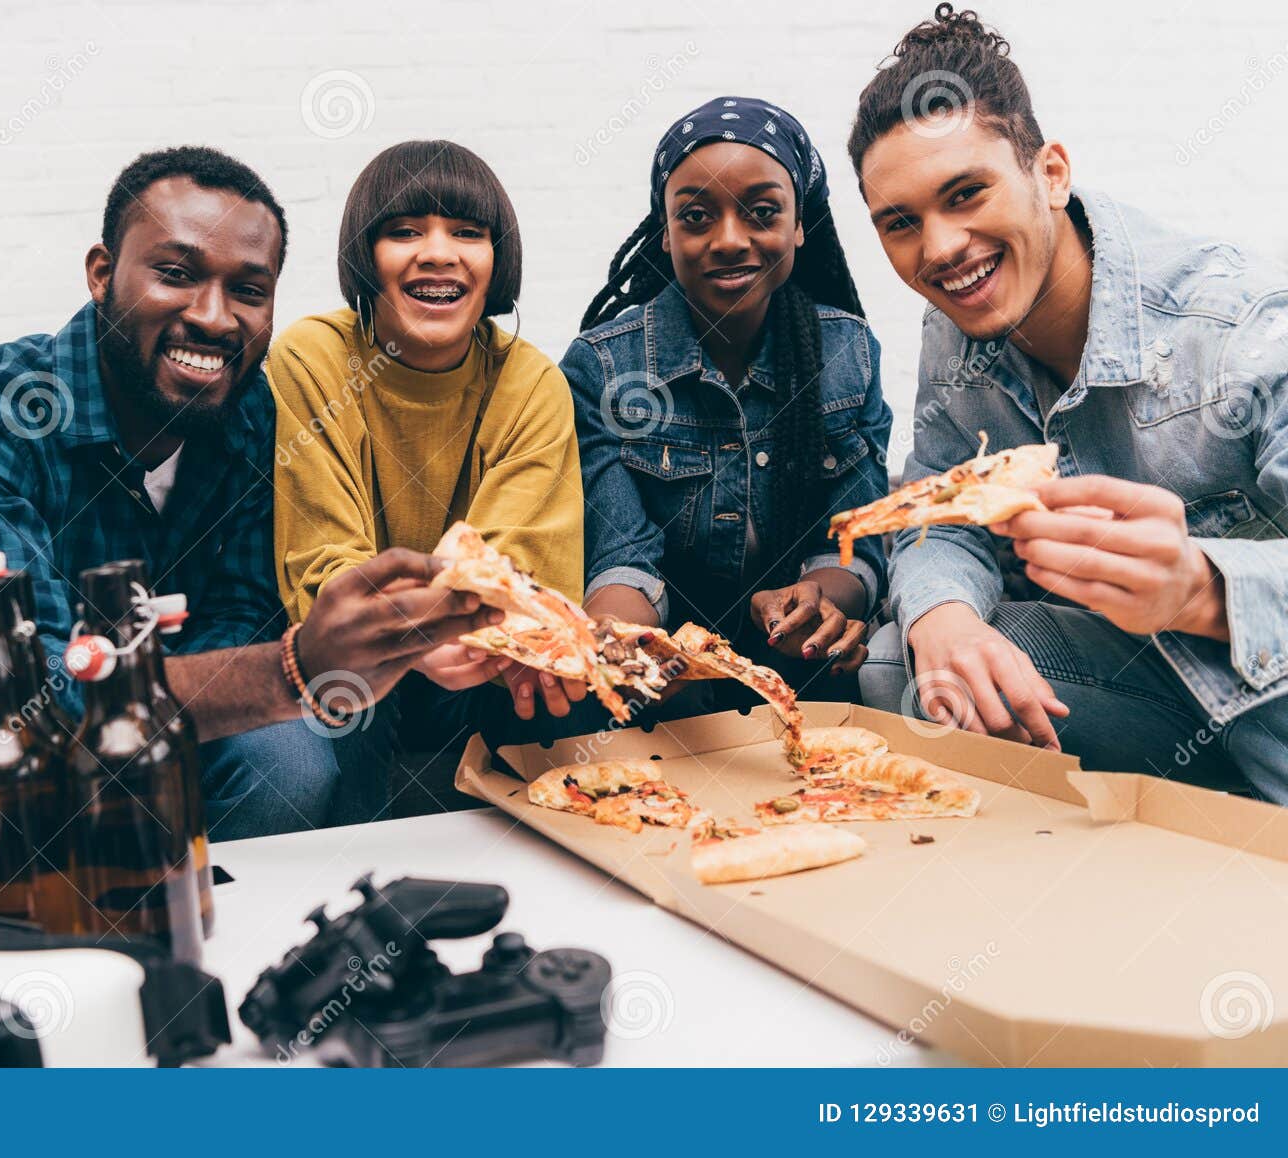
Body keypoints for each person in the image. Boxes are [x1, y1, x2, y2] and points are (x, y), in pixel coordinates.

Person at [0, 146, 499, 1067]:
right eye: (177, 273)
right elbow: (12, 681)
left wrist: (306, 667)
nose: (212, 315)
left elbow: (236, 618)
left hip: (166, 755)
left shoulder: (252, 418)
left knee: (297, 754)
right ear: (103, 272)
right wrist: (290, 669)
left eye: (249, 289)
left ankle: (186, 1044)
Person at [849, 6, 1288, 799]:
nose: (942, 248)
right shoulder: (958, 325)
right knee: (908, 664)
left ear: (1050, 173)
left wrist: (1204, 586)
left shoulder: (1239, 330)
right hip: (1165, 699)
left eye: (967, 193)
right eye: (902, 223)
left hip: (1276, 714)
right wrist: (942, 616)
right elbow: (933, 506)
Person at [550, 96, 892, 732]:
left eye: (762, 213)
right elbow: (620, 557)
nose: (730, 240)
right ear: (666, 233)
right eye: (697, 216)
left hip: (804, 678)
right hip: (659, 689)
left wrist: (819, 603)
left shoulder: (850, 355)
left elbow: (854, 538)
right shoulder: (601, 369)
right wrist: (620, 643)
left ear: (799, 225)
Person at [269, 139, 584, 751]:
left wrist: (448, 634)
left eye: (468, 232)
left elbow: (517, 572)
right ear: (367, 253)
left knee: (557, 700)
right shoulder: (313, 358)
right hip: (351, 643)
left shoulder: (532, 382)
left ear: (498, 259)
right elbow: (324, 559)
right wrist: (408, 637)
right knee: (350, 708)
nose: (438, 255)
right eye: (405, 231)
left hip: (477, 652)